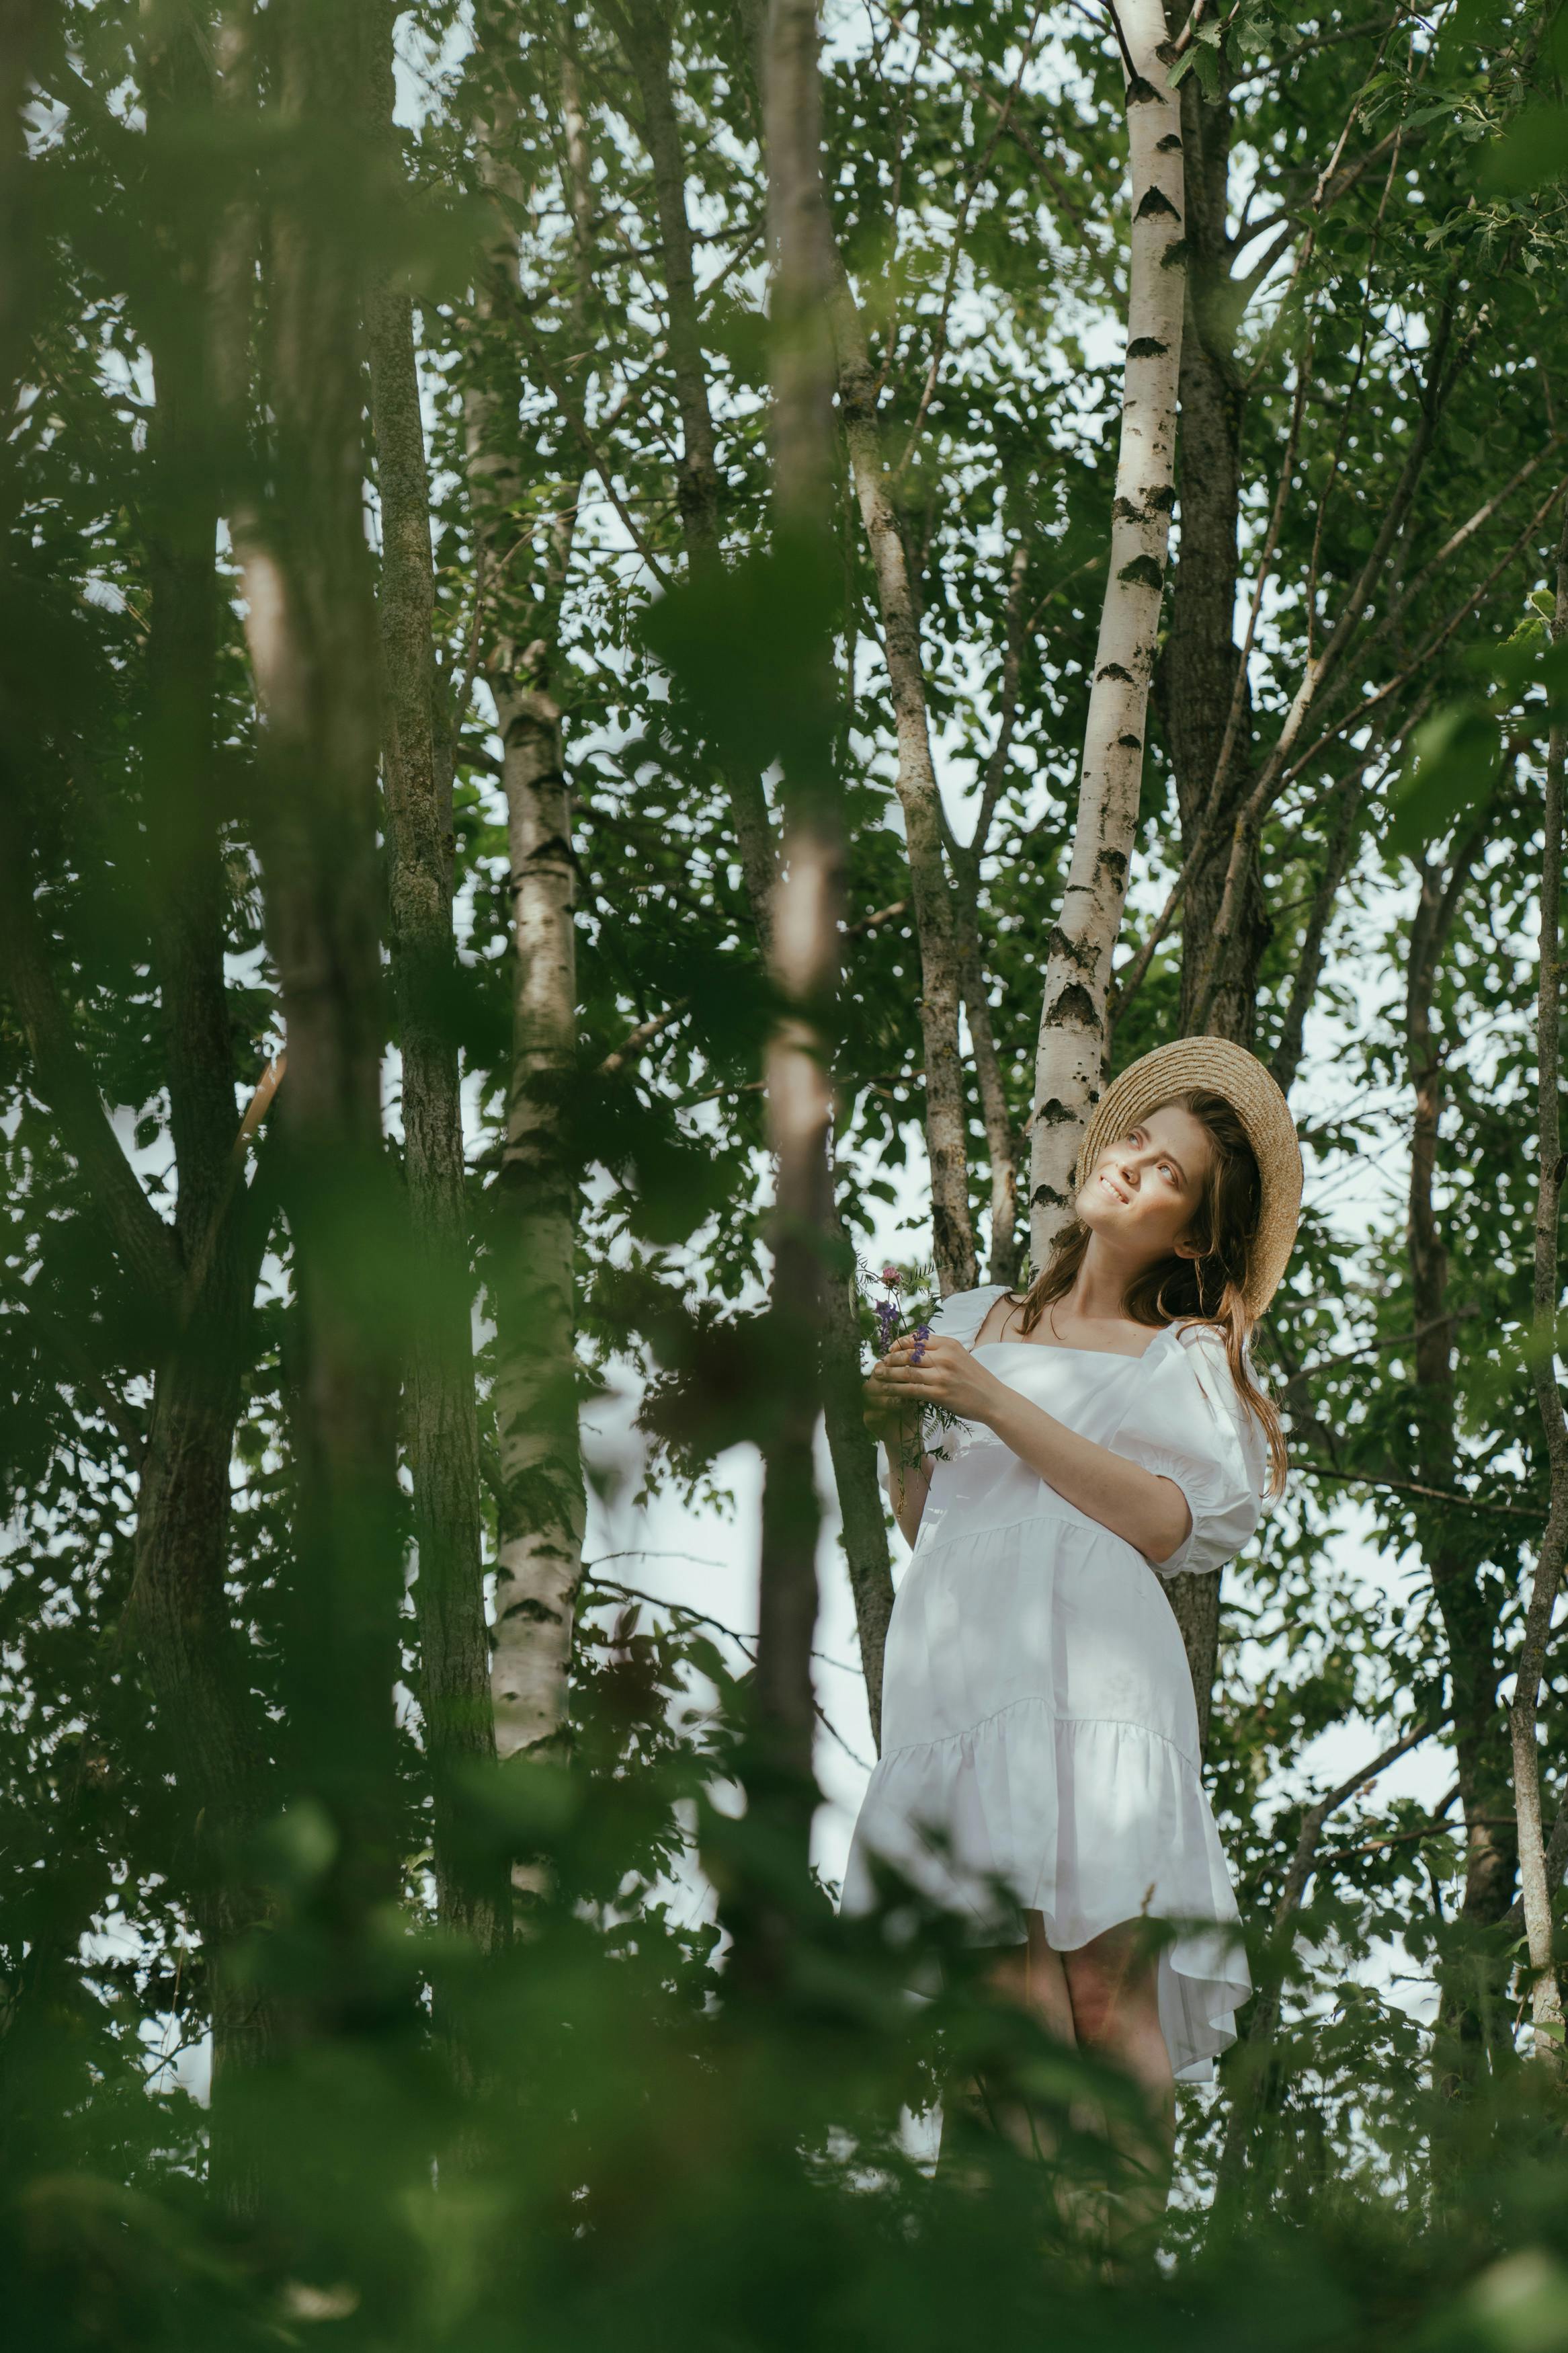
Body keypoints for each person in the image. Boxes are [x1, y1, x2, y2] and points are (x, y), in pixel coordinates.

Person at [844, 1037, 1301, 2217]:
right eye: (1136, 1142)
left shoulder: (1183, 1357)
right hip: (962, 1662)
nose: (1134, 1164)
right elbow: (926, 1517)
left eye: (1169, 1175)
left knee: (1104, 1998)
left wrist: (993, 1394)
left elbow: (1166, 1523)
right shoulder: (967, 1314)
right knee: (1005, 2001)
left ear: (1192, 1238)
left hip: (1099, 1684)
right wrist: (902, 1422)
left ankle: (1118, 2284)